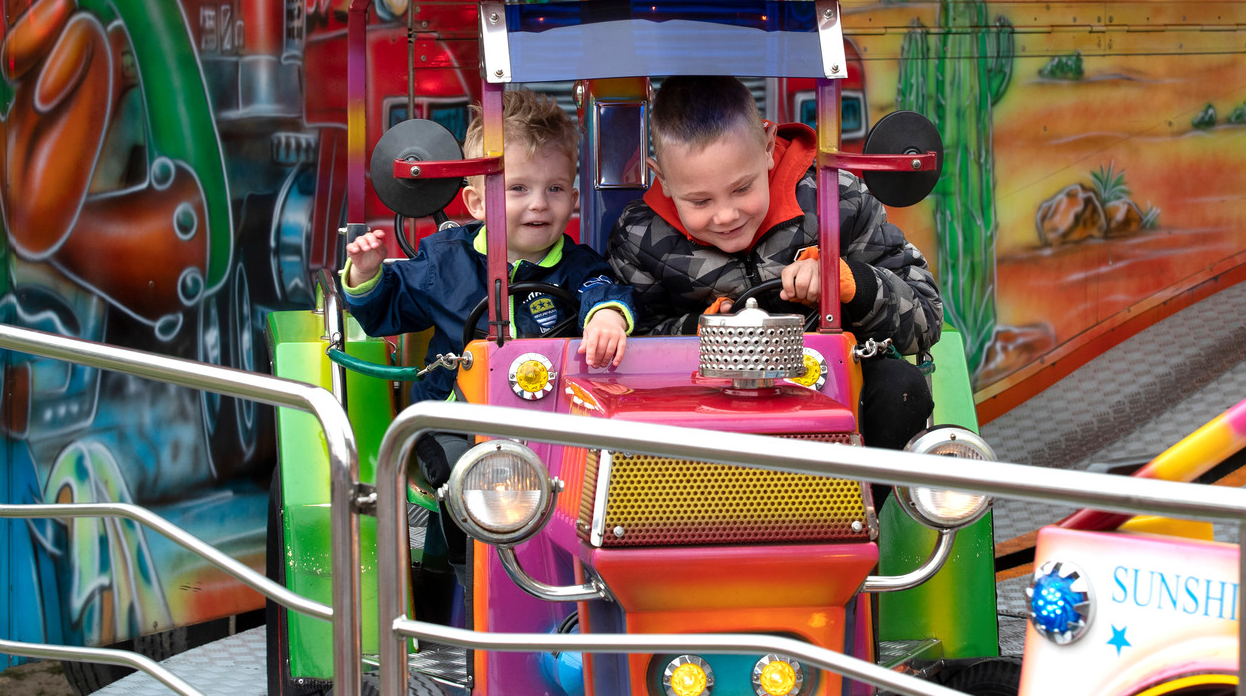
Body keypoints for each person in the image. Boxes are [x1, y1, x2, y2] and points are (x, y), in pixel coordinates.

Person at [606, 75, 940, 505]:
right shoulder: (639, 237)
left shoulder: (834, 198)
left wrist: (847, 282)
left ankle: (847, 526)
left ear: (767, 147)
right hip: (703, 423)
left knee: (901, 387)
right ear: (664, 179)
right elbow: (630, 348)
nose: (725, 215)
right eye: (700, 202)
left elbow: (927, 318)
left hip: (828, 392)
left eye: (742, 189)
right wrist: (703, 327)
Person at [342, 88, 635, 576]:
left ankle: (580, 584)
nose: (539, 204)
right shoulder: (445, 259)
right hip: (456, 417)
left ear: (575, 197)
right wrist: (367, 273)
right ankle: (475, 589)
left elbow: (607, 289)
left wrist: (606, 316)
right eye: (518, 189)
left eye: (555, 189)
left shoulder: (580, 266)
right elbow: (387, 309)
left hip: (552, 423)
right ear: (477, 201)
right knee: (469, 480)